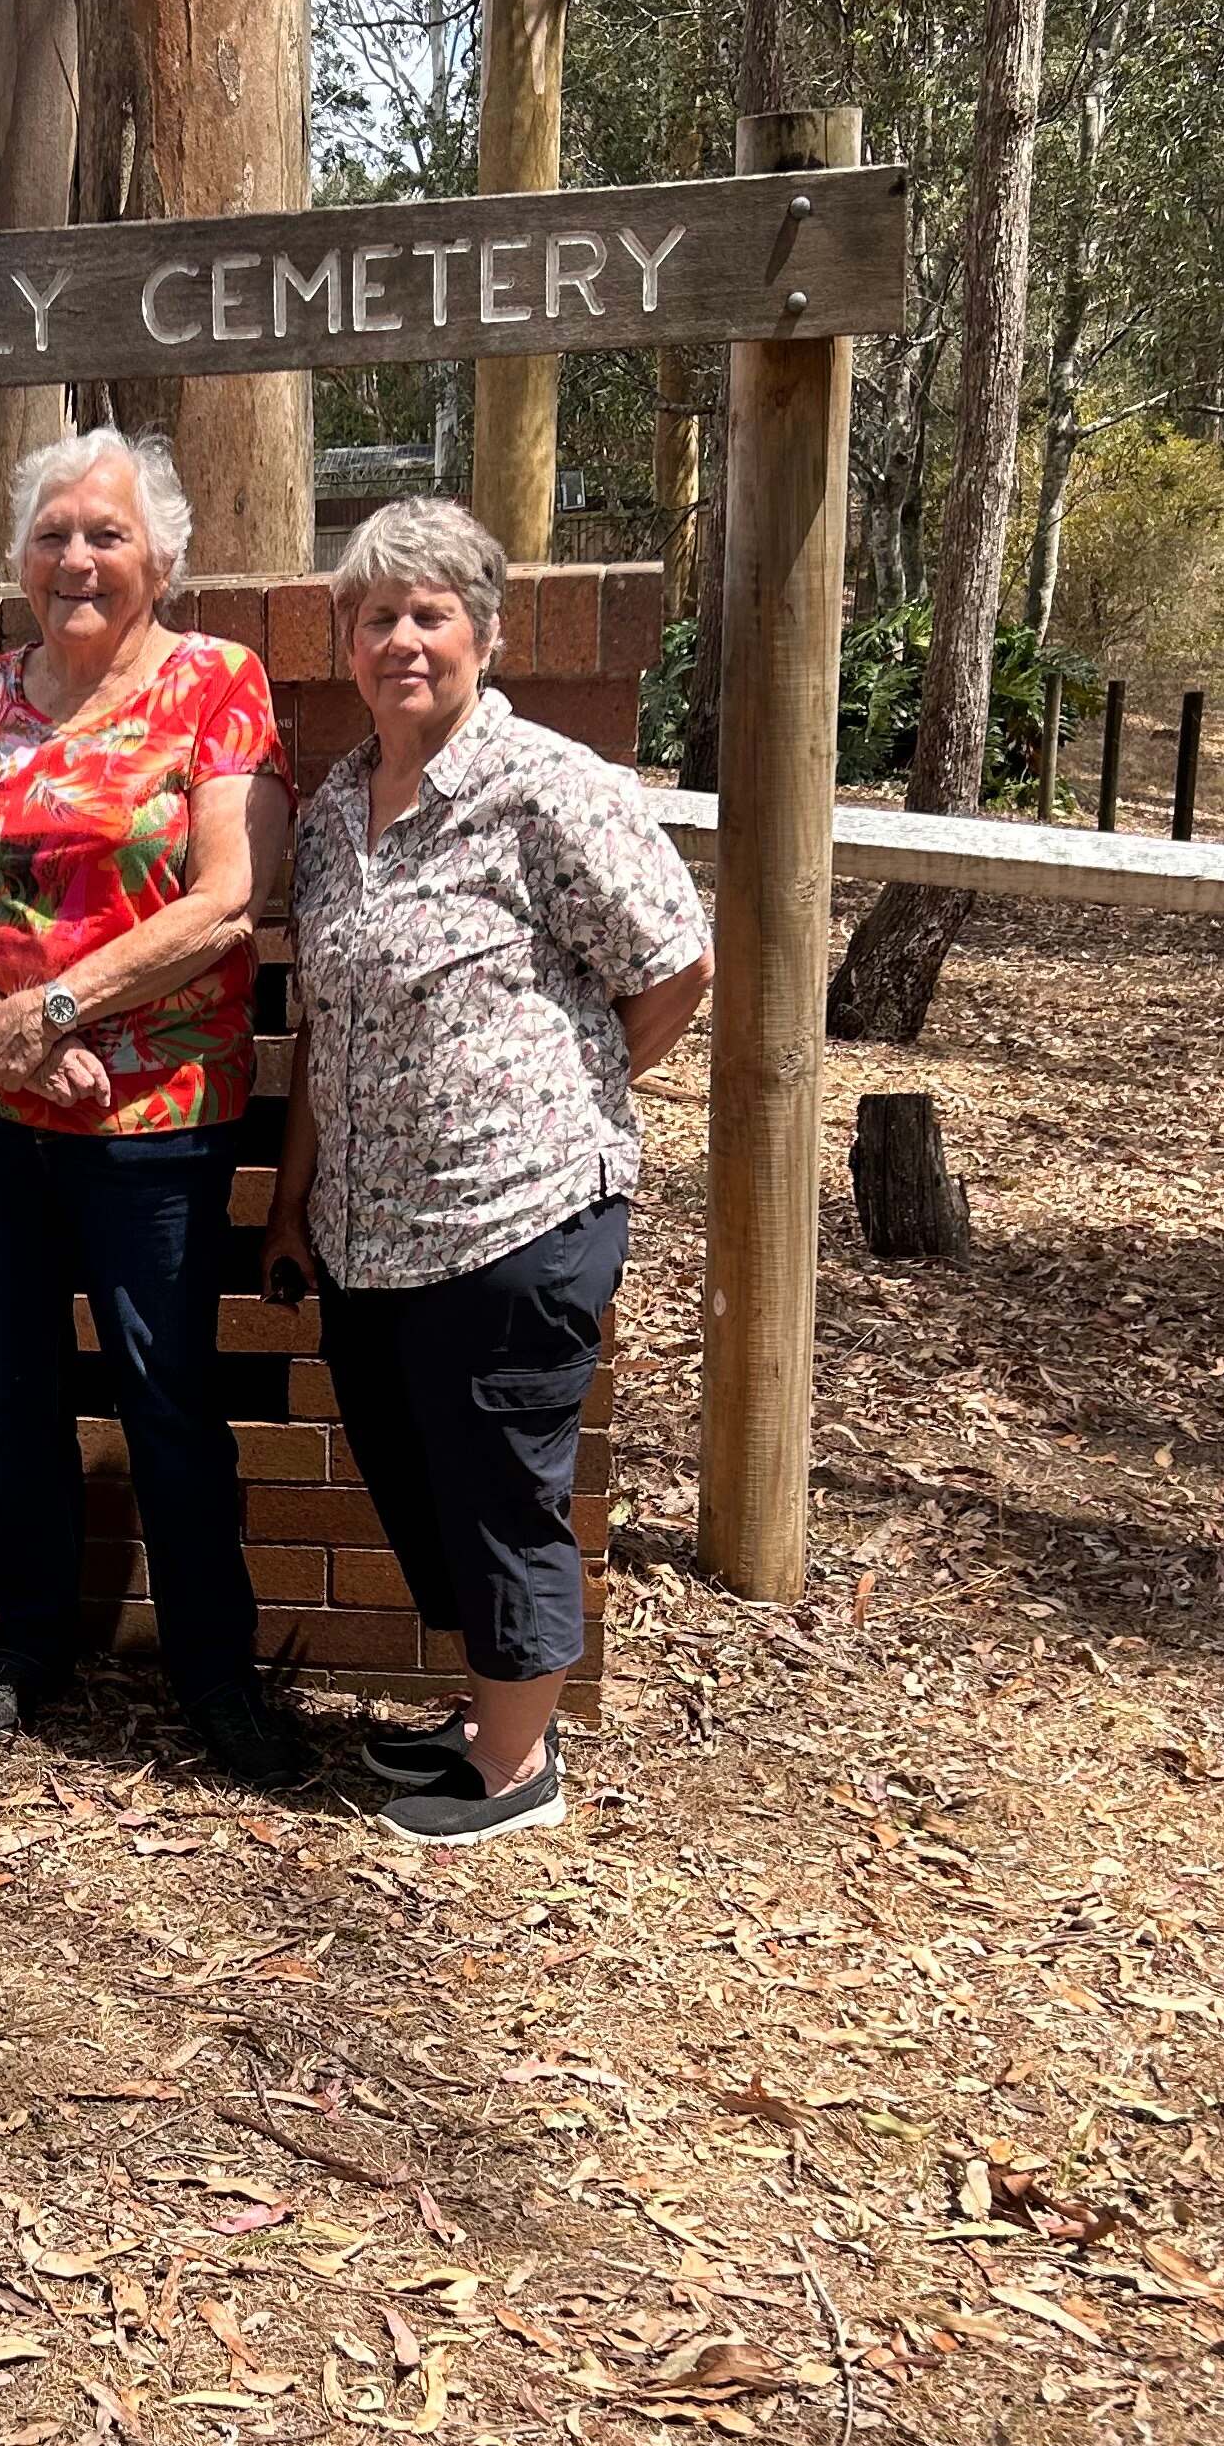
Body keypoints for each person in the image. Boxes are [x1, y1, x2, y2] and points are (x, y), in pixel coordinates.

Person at [266, 498, 713, 1844]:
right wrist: (290, 1205)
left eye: (428, 613)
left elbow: (677, 968)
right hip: (365, 1232)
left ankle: (519, 1775)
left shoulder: (551, 789)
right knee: (425, 1480)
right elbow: (321, 1030)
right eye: (375, 617)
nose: (400, 639)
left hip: (512, 1222)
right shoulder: (340, 806)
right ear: (345, 643)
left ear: (484, 631)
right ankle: (485, 1722)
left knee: (503, 1486)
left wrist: (563, 1107)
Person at [0, 429, 310, 1789]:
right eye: (54, 533)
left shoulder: (217, 687)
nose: (77, 558)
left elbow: (230, 896)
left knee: (166, 1396)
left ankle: (217, 1677)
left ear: (160, 557)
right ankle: (33, 1645)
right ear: (19, 557)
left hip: (154, 1109)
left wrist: (52, 1015)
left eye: (106, 534)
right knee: (9, 1390)